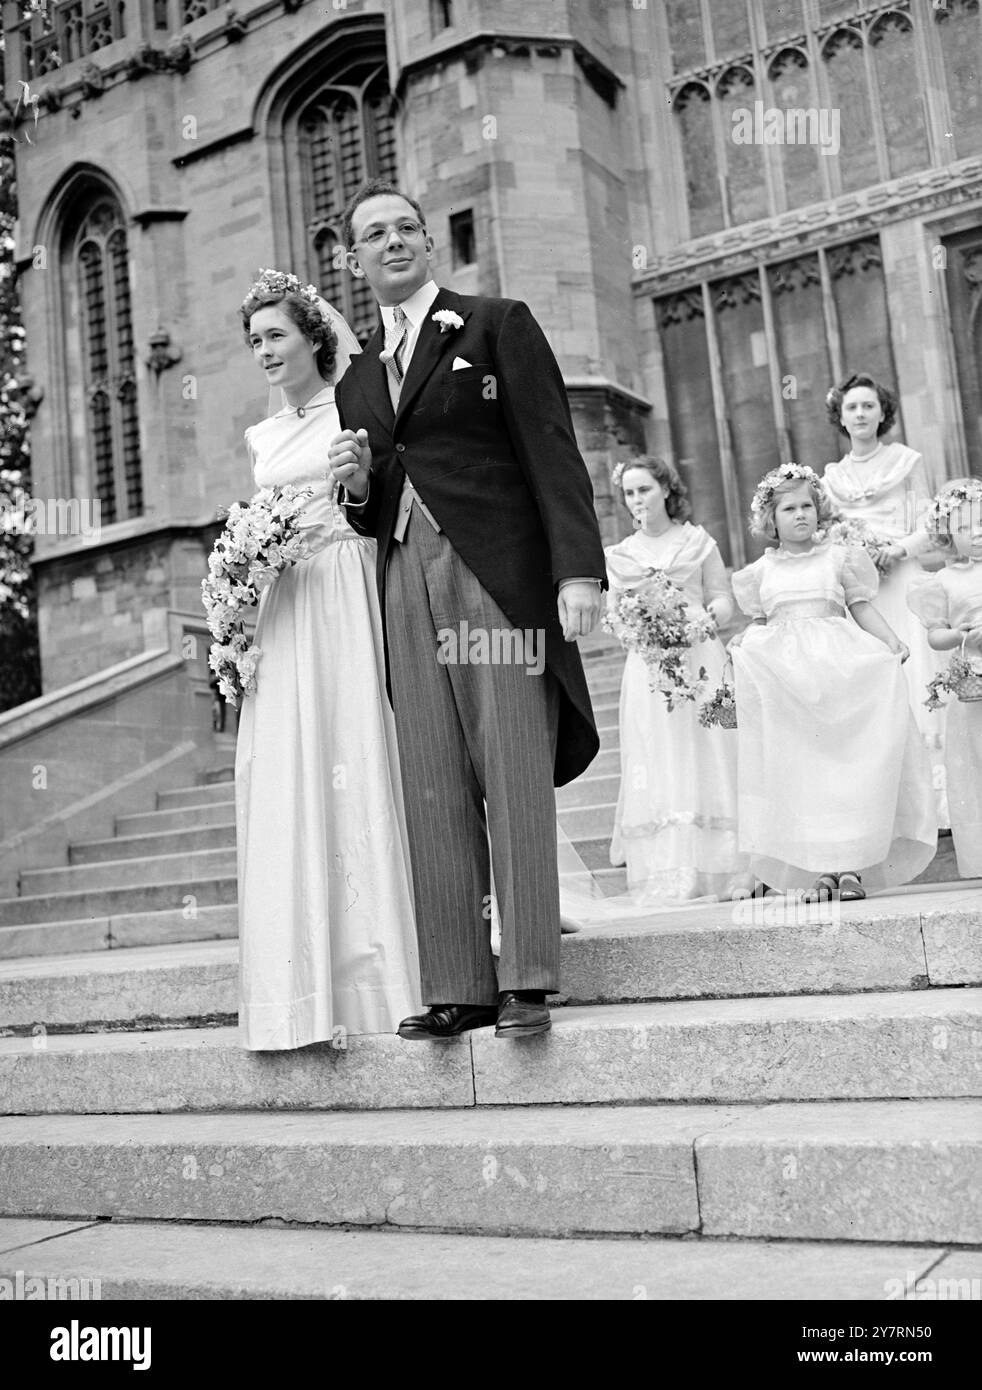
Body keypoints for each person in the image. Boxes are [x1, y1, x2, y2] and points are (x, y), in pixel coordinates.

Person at [327, 179, 606, 1040]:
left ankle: (526, 976)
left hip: (492, 570)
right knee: (431, 777)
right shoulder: (359, 379)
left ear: (428, 243)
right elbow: (371, 506)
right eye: (375, 235)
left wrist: (578, 573)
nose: (395, 242)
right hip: (403, 572)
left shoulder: (495, 323)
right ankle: (458, 983)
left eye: (407, 228)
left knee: (511, 760)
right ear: (351, 260)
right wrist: (357, 489)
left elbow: (551, 449)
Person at [234, 269, 421, 1050]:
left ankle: (383, 975)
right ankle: (297, 990)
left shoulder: (358, 408)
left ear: (314, 337)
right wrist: (237, 583)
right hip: (283, 610)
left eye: (276, 335)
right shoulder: (260, 436)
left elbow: (376, 507)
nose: (265, 351)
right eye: (255, 342)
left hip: (345, 591)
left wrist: (356, 484)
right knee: (287, 773)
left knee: (357, 750)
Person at [728, 464, 936, 901]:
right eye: (789, 508)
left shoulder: (837, 558)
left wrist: (891, 640)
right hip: (789, 683)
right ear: (771, 517)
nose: (800, 514)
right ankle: (820, 868)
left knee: (844, 769)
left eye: (807, 505)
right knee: (807, 773)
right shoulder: (759, 573)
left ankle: (850, 867)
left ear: (819, 510)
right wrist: (740, 655)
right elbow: (760, 623)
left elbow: (860, 606)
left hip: (840, 672)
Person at [605, 456, 750, 903]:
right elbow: (614, 615)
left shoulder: (698, 542)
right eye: (629, 493)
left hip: (702, 654)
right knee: (661, 752)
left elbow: (722, 596)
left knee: (712, 748)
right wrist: (640, 633)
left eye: (644, 489)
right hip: (650, 665)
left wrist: (708, 619)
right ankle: (667, 872)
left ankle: (726, 869)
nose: (637, 500)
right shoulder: (619, 555)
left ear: (666, 489)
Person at [821, 372, 947, 818]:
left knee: (916, 677)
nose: (860, 414)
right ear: (841, 415)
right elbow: (829, 532)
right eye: (852, 407)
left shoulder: (906, 462)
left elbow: (929, 525)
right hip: (863, 595)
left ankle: (937, 802)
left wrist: (896, 549)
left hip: (901, 579)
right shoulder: (831, 477)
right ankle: (894, 804)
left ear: (882, 412)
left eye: (868, 406)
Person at [908, 479, 982, 877]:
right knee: (977, 763)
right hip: (974, 685)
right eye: (967, 528)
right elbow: (936, 634)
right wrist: (963, 634)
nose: (979, 531)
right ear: (949, 536)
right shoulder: (946, 582)